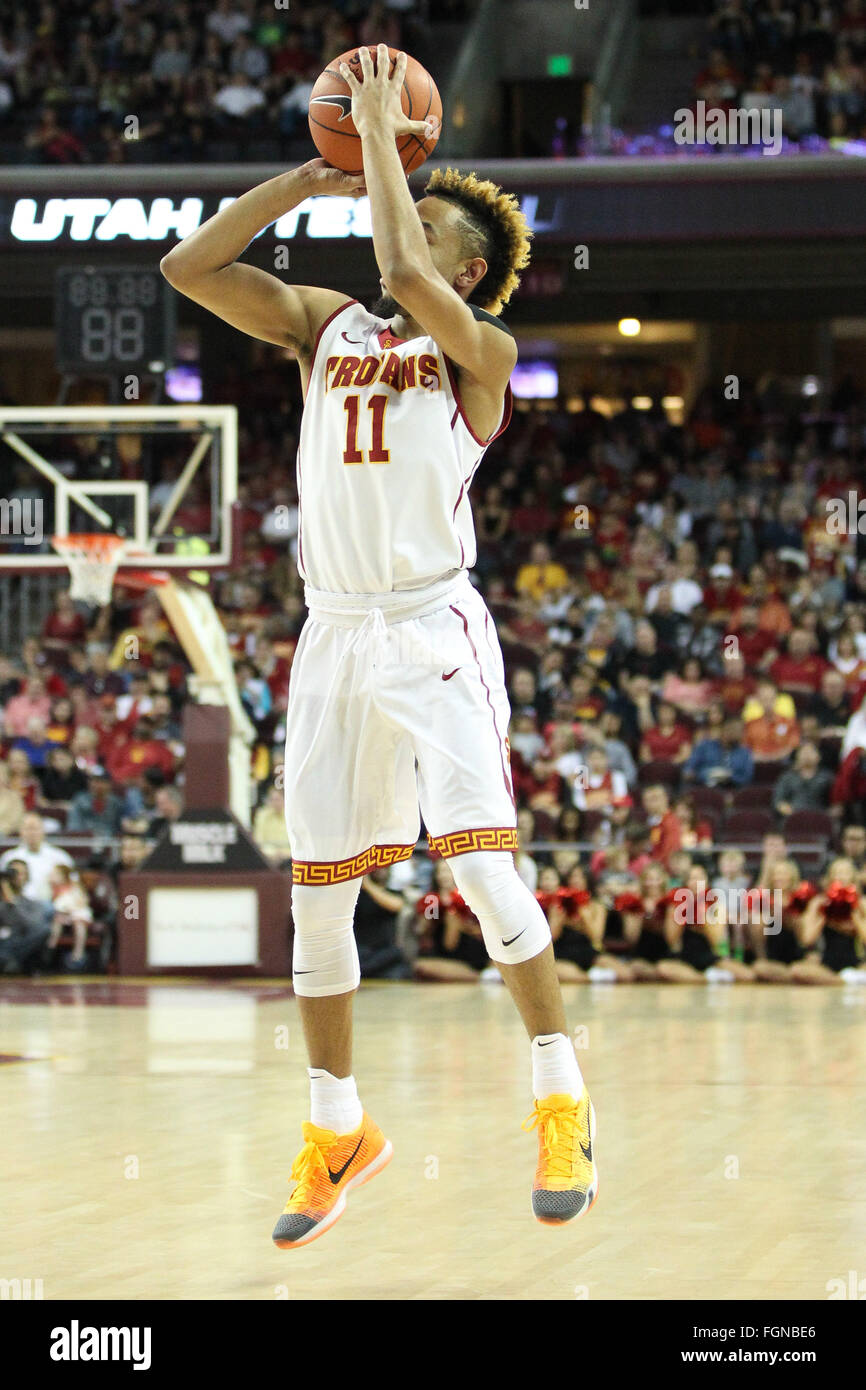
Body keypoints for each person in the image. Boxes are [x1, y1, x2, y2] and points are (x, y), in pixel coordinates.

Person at [161, 45, 596, 1249]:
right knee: (316, 899)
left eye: (419, 212)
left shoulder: (481, 359)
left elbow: (404, 254)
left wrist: (380, 148)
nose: (390, 223)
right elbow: (186, 266)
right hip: (333, 633)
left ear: (470, 269)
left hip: (432, 628)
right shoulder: (323, 327)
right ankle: (336, 1126)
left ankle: (560, 1091)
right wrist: (301, 186)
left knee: (481, 870)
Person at [791, 857, 866, 984]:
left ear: (853, 877)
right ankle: (844, 980)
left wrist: (855, 916)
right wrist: (824, 914)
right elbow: (806, 939)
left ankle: (848, 978)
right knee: (797, 970)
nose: (841, 877)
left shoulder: (862, 902)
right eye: (837, 873)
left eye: (845, 873)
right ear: (830, 878)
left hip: (858, 963)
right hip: (827, 965)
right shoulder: (819, 902)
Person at [0, 861, 52, 975]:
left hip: (20, 943)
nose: (16, 877)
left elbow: (33, 925)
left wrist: (12, 902)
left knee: (44, 929)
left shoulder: (33, 903)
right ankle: (9, 963)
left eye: (21, 873)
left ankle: (10, 962)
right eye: (13, 873)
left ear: (27, 877)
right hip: (2, 942)